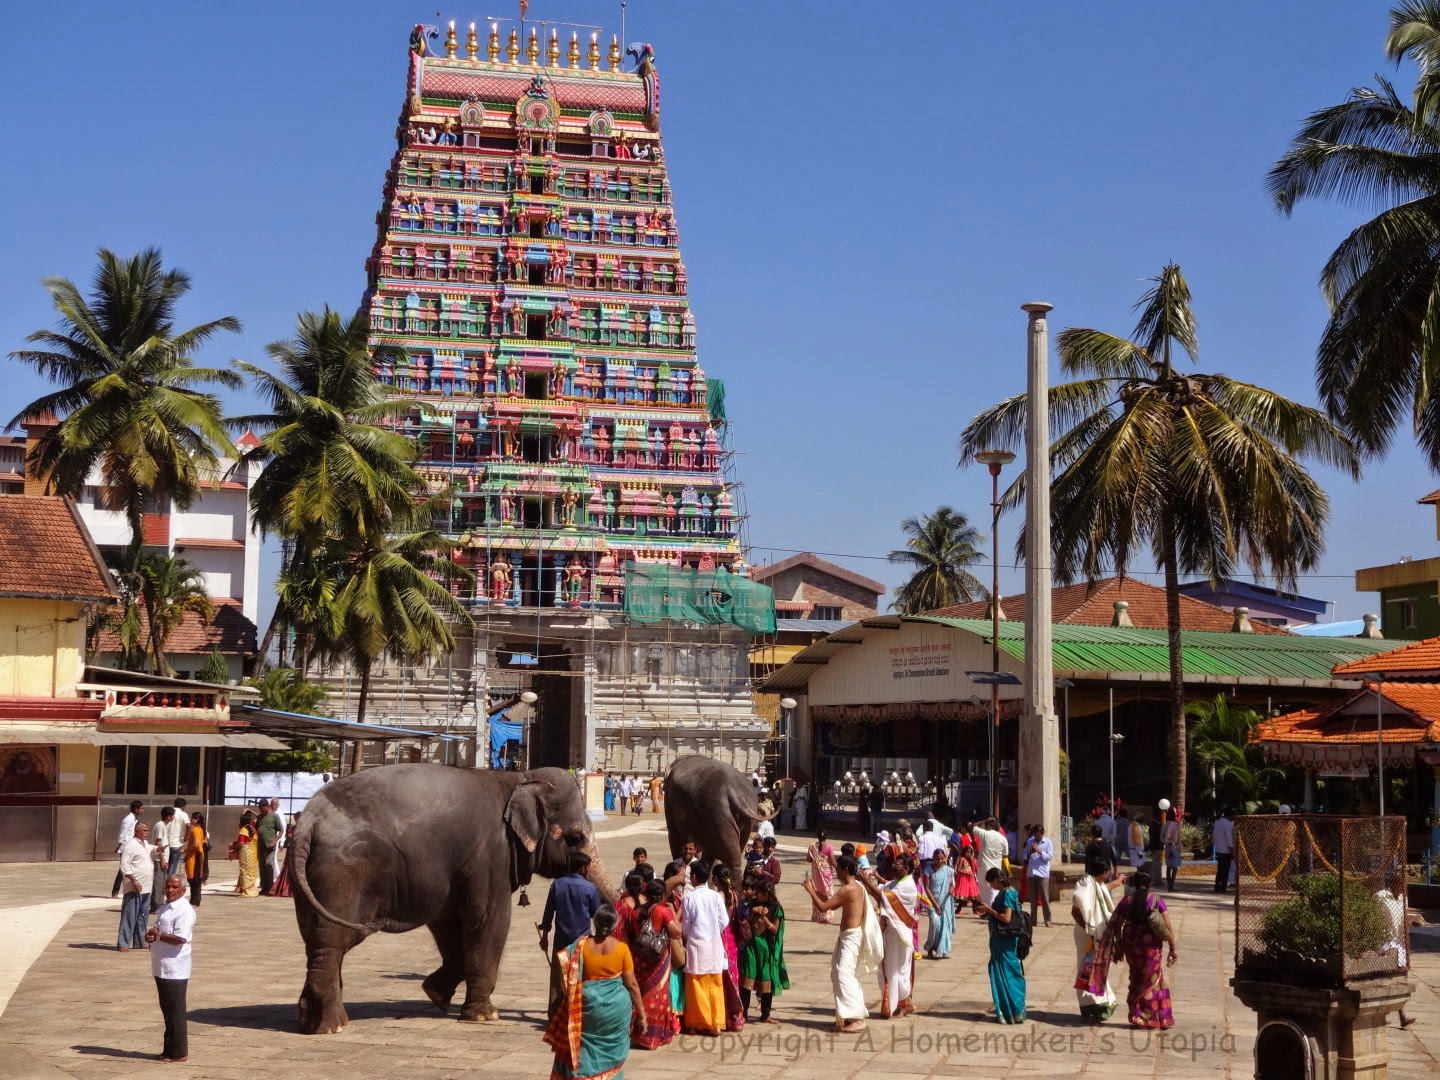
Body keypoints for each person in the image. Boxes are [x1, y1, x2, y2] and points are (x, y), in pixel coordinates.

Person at [543, 904, 645, 1080]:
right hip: (615, 1012)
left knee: (584, 1051)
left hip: (586, 1008)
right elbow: (632, 985)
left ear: (595, 922)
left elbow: (564, 975)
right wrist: (642, 1014)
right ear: (614, 926)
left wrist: (570, 995)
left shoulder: (580, 946)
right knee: (610, 1056)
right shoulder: (622, 949)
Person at [804, 853, 882, 1032]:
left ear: (845, 870)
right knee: (837, 972)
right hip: (847, 936)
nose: (835, 871)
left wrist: (810, 891)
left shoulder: (850, 889)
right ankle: (846, 1015)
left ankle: (856, 1017)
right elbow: (829, 903)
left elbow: (824, 908)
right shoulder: (854, 887)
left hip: (852, 937)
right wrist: (814, 889)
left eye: (838, 868)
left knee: (843, 974)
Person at [1089, 870, 1176, 1029]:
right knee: (1153, 978)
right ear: (1149, 885)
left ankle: (1140, 1013)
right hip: (1151, 948)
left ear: (1134, 885)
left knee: (1137, 977)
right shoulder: (1156, 901)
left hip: (1132, 947)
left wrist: (1120, 943)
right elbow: (1167, 926)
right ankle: (1150, 1016)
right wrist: (1173, 947)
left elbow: (1116, 925)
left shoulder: (1126, 902)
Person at [540, 851, 604, 1015]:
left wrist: (545, 937)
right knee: (581, 978)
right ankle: (579, 1012)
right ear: (583, 868)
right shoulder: (590, 888)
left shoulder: (557, 885)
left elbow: (548, 914)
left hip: (560, 940)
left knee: (557, 980)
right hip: (582, 942)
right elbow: (596, 916)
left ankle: (554, 1014)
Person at [858, 852, 918, 1018]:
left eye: (898, 864)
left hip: (900, 935)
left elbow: (882, 897)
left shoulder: (908, 886)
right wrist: (865, 881)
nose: (894, 866)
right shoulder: (896, 883)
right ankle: (903, 1003)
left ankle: (905, 1004)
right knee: (890, 969)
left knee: (898, 971)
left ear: (906, 869)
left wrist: (866, 881)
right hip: (889, 933)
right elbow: (880, 891)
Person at [146, 874, 195, 1063]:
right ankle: (169, 1049)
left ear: (183, 890)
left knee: (175, 1010)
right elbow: (159, 931)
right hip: (161, 965)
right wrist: (152, 936)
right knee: (167, 1009)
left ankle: (179, 1051)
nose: (170, 890)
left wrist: (159, 936)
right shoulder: (165, 907)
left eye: (175, 887)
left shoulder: (184, 911)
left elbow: (180, 938)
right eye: (168, 887)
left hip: (175, 967)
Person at [679, 861, 730, 1035]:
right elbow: (724, 920)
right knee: (714, 984)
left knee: (695, 984)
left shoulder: (689, 898)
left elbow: (685, 925)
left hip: (696, 944)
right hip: (713, 943)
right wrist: (714, 929)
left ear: (693, 877)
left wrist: (687, 935)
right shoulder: (715, 896)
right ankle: (715, 1024)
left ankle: (695, 1023)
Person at [631, 880, 681, 1049]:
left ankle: (638, 1033)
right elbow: (677, 933)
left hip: (640, 958)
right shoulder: (662, 911)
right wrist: (675, 912)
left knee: (641, 992)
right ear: (661, 896)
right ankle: (652, 1036)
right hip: (657, 958)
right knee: (657, 995)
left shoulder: (638, 910)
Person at [974, 868, 1026, 1024]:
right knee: (1006, 971)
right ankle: (1011, 1011)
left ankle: (1012, 1010)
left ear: (996, 880)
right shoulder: (1009, 891)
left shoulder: (1007, 894)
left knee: (1008, 973)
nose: (991, 886)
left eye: (991, 883)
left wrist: (989, 909)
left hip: (1005, 942)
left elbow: (1006, 918)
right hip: (1000, 941)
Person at [1071, 855, 1118, 1022]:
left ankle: (1100, 1002)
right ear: (1103, 872)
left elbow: (1104, 889)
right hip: (1087, 934)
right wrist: (1090, 929)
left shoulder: (1096, 884)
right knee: (1087, 966)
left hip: (1097, 933)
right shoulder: (1085, 885)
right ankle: (1091, 1003)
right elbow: (1078, 910)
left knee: (1097, 967)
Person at [738, 875, 788, 1023]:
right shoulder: (752, 904)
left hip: (766, 949)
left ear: (766, 894)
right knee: (746, 982)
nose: (756, 895)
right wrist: (753, 911)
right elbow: (744, 921)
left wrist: (765, 918)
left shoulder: (776, 909)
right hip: (751, 948)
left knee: (767, 982)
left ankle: (765, 1015)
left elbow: (774, 930)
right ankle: (743, 1012)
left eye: (759, 893)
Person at [117, 821, 154, 951]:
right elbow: (125, 865)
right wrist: (134, 880)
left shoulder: (144, 844)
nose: (146, 833)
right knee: (130, 915)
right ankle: (123, 943)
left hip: (146, 886)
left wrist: (159, 849)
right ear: (136, 831)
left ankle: (140, 941)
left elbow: (152, 849)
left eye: (147, 831)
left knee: (142, 915)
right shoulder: (131, 845)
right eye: (144, 830)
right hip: (134, 886)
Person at [923, 849, 955, 959]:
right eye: (937, 859)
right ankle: (930, 948)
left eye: (942, 859)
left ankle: (941, 949)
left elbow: (952, 884)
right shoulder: (928, 870)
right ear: (933, 858)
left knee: (944, 926)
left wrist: (951, 889)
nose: (940, 861)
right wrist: (935, 904)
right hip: (932, 902)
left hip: (945, 902)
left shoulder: (948, 870)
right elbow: (927, 888)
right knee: (935, 924)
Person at [112, 800, 145, 898]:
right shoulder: (129, 819)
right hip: (125, 847)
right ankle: (115, 892)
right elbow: (123, 833)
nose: (142, 810)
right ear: (136, 809)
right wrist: (119, 846)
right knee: (123, 869)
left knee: (128, 869)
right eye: (141, 808)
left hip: (130, 846)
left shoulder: (134, 819)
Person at [974, 817, 1007, 905]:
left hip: (984, 867)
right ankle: (992, 908)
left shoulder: (985, 834)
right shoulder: (1003, 839)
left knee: (983, 889)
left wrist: (984, 820)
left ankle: (988, 909)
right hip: (996, 867)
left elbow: (973, 827)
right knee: (994, 889)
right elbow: (1005, 854)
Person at [806, 830, 837, 923]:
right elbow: (832, 861)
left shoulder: (812, 846)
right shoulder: (829, 847)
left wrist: (817, 860)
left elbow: (808, 859)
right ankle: (826, 916)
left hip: (816, 875)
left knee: (816, 892)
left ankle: (817, 915)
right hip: (827, 875)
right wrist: (839, 869)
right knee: (828, 893)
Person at [1026, 825, 1054, 927]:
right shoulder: (1030, 841)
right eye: (1035, 835)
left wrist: (1039, 850)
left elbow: (1049, 857)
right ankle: (1033, 920)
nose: (1036, 837)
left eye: (1038, 835)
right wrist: (1030, 852)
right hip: (1031, 873)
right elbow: (1025, 855)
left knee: (1044, 898)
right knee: (1033, 899)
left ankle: (1048, 919)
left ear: (1042, 834)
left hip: (1042, 873)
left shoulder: (1048, 843)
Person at [256, 799, 283, 895]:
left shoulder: (274, 817)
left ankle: (270, 888)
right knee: (262, 867)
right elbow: (256, 829)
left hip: (270, 846)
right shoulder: (259, 817)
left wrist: (275, 841)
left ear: (266, 806)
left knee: (268, 866)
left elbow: (281, 830)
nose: (260, 811)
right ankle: (264, 887)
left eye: (261, 809)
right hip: (260, 846)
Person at [183, 812, 208, 907]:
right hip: (199, 856)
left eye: (192, 818)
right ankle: (196, 900)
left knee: (193, 879)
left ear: (197, 820)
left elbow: (196, 844)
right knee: (197, 879)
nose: (190, 819)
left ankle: (194, 901)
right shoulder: (201, 829)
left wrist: (185, 850)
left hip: (193, 857)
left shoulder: (194, 831)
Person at [234, 810, 260, 897]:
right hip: (253, 853)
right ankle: (252, 888)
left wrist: (234, 847)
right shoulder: (253, 829)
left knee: (245, 871)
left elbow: (241, 843)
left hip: (246, 853)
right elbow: (258, 816)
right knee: (251, 870)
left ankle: (248, 891)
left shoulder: (243, 830)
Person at [953, 840, 981, 911]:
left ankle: (975, 909)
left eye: (969, 852)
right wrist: (966, 873)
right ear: (964, 852)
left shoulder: (971, 859)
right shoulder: (962, 859)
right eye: (966, 852)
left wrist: (971, 860)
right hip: (963, 878)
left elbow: (973, 869)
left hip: (970, 879)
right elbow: (959, 870)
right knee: (963, 894)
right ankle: (959, 909)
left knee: (972, 895)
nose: (968, 854)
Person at [1211, 810, 1234, 894]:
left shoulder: (1217, 823)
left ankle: (1217, 887)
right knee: (1225, 870)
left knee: (1220, 869)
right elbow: (1229, 839)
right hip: (1226, 850)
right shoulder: (1228, 825)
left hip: (1218, 849)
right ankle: (1223, 888)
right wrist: (1232, 851)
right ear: (1230, 816)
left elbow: (1213, 836)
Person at [169, 799, 190, 879]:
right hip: (177, 842)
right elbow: (188, 825)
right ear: (183, 806)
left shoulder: (169, 813)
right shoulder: (183, 814)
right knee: (174, 864)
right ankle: (170, 880)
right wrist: (186, 836)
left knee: (168, 863)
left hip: (167, 842)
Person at [1161, 813, 1183, 892]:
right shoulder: (1176, 825)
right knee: (1175, 867)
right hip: (1175, 848)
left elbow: (1161, 838)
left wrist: (1166, 843)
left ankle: (1169, 886)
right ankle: (1171, 886)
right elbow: (1179, 838)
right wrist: (1180, 849)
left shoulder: (1164, 826)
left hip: (1168, 848)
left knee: (1168, 867)